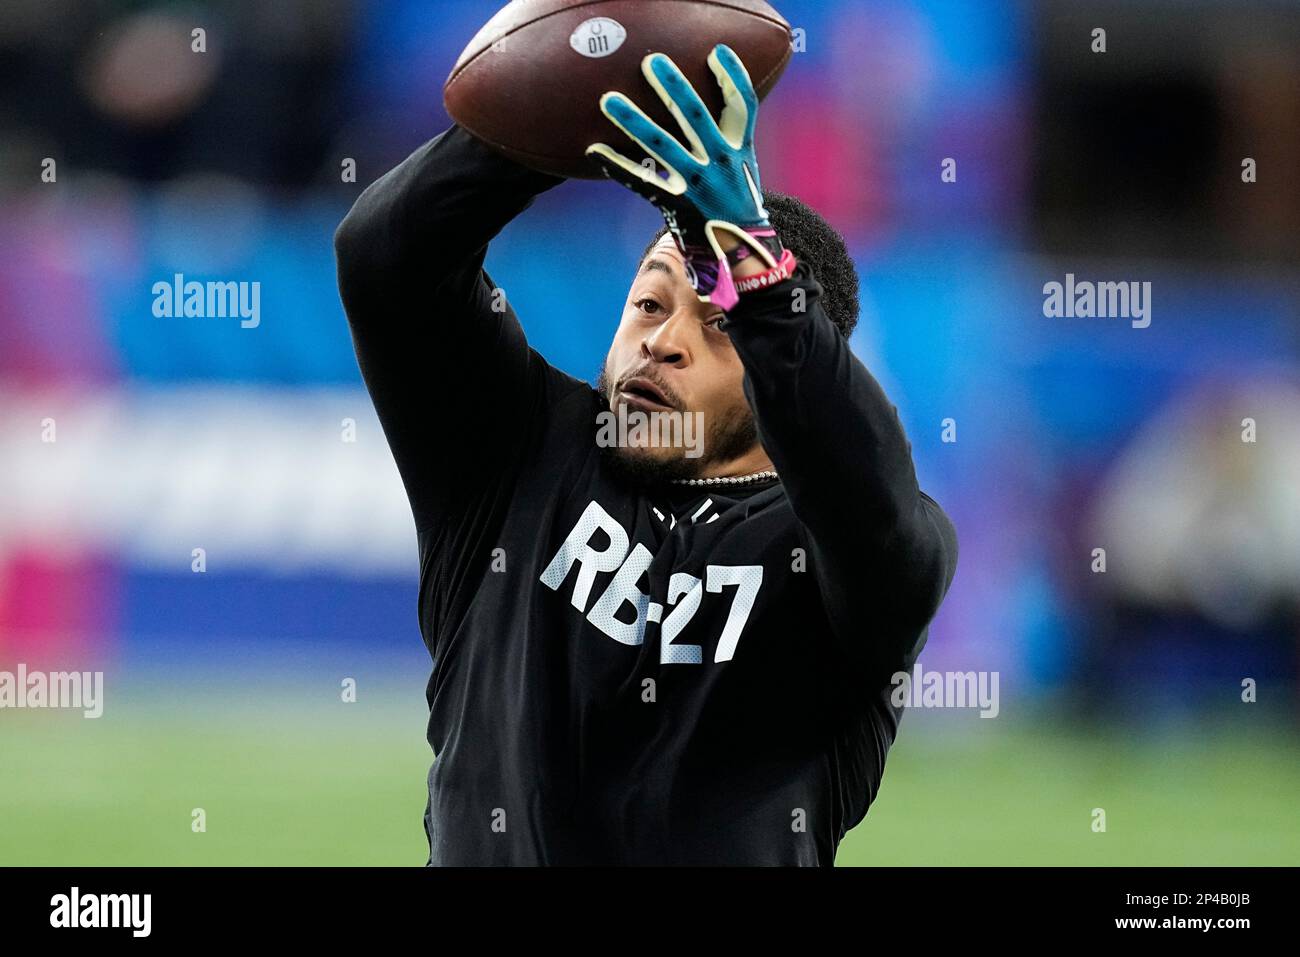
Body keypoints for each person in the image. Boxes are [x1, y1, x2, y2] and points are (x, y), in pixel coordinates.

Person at [333, 44, 957, 865]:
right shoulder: (514, 450)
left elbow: (870, 497)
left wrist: (757, 269)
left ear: (782, 362)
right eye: (649, 302)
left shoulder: (836, 557)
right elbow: (387, 259)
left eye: (717, 323)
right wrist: (548, 121)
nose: (661, 341)